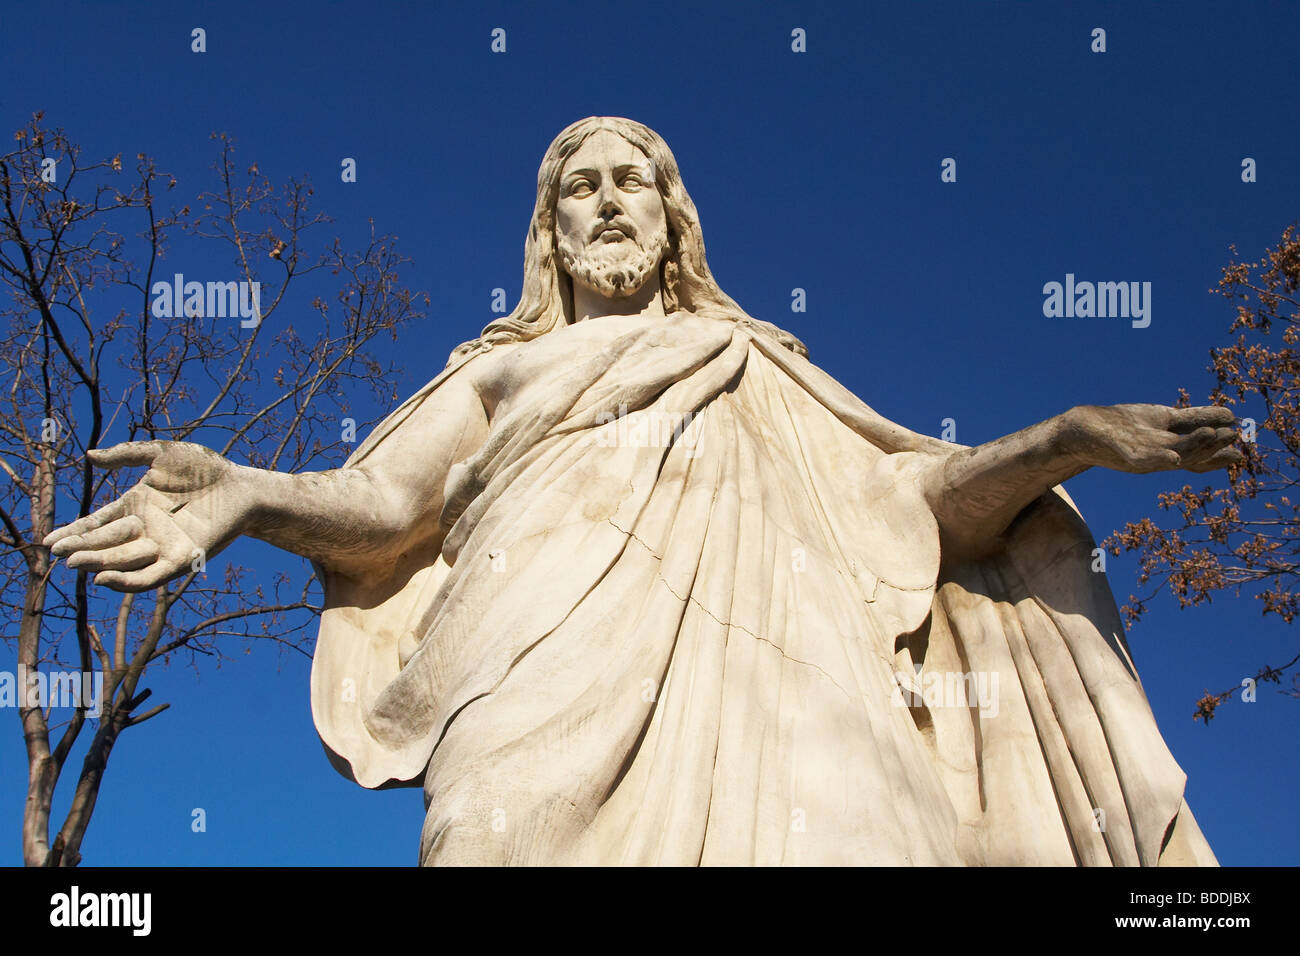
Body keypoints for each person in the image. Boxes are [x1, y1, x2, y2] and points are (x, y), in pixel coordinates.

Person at [46, 117, 1235, 865]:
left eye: (634, 181)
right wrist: (247, 490)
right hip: (538, 682)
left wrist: (1062, 439)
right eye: (582, 185)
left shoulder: (761, 361)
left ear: (673, 226)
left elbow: (916, 510)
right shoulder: (501, 367)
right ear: (550, 233)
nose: (608, 198)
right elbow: (383, 506)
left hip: (800, 700)